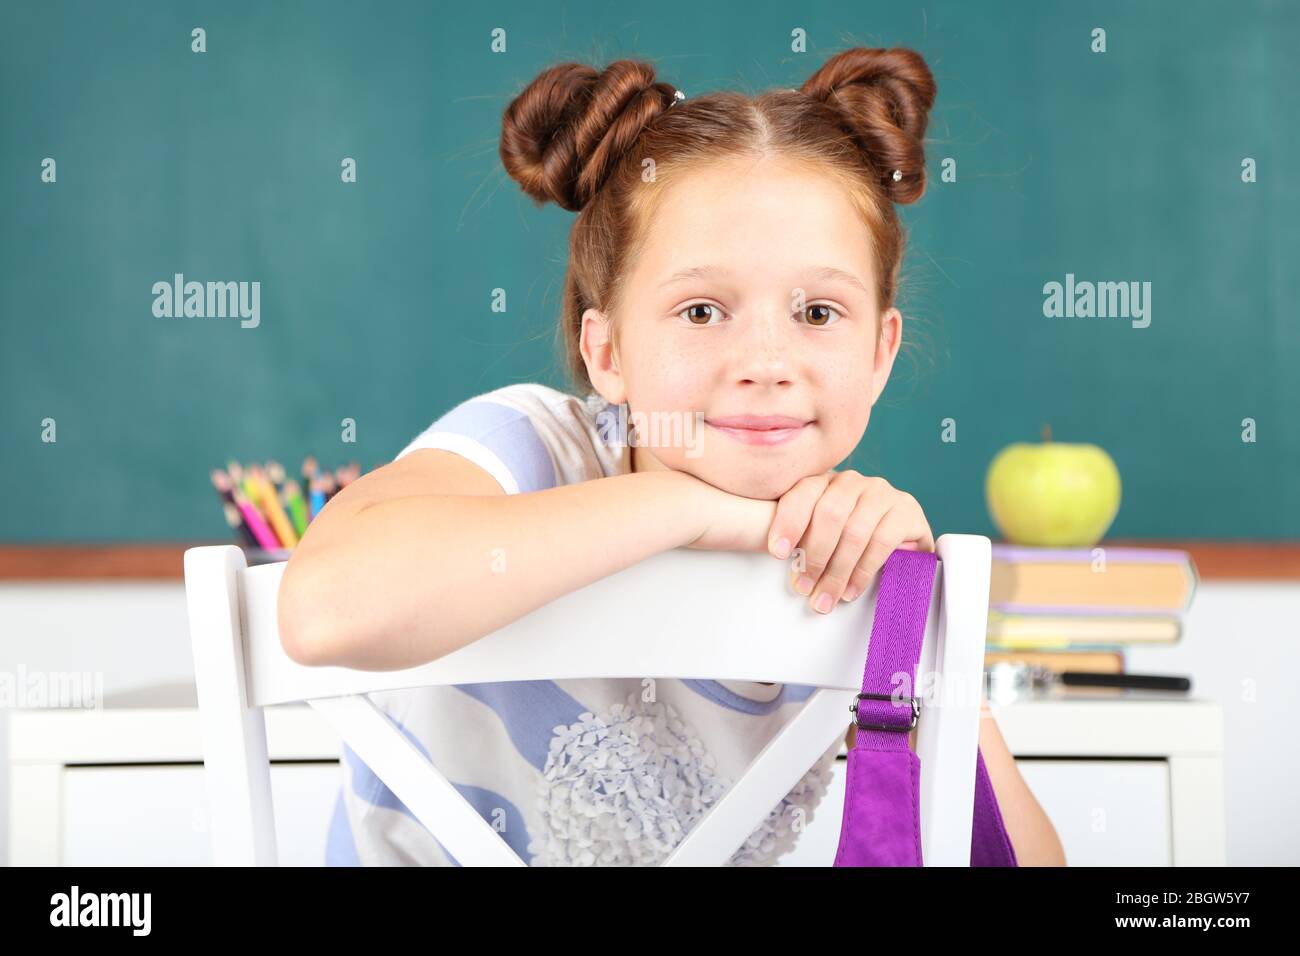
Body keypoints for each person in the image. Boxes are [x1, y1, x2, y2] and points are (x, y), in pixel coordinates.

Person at [279, 45, 1065, 866]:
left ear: (880, 351)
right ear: (607, 351)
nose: (765, 360)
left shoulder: (847, 555)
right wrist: (693, 510)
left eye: (820, 311)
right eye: (699, 311)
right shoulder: (533, 446)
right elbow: (323, 606)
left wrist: (920, 619)